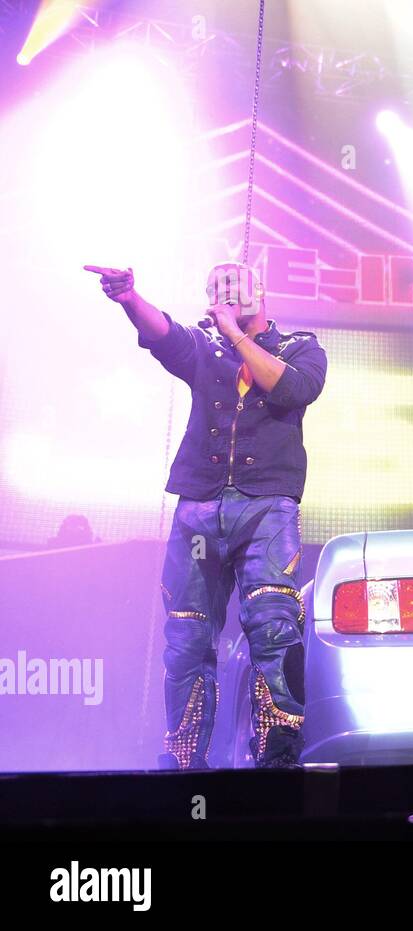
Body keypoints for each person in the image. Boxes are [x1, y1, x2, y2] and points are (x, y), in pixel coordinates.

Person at [85, 261, 327, 768]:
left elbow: (290, 390)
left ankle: (276, 757)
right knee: (188, 633)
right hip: (200, 507)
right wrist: (130, 298)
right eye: (217, 286)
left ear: (261, 289)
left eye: (237, 283)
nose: (227, 292)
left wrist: (237, 335)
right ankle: (184, 758)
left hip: (267, 509)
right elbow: (165, 335)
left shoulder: (300, 346)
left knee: (273, 624)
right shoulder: (202, 346)